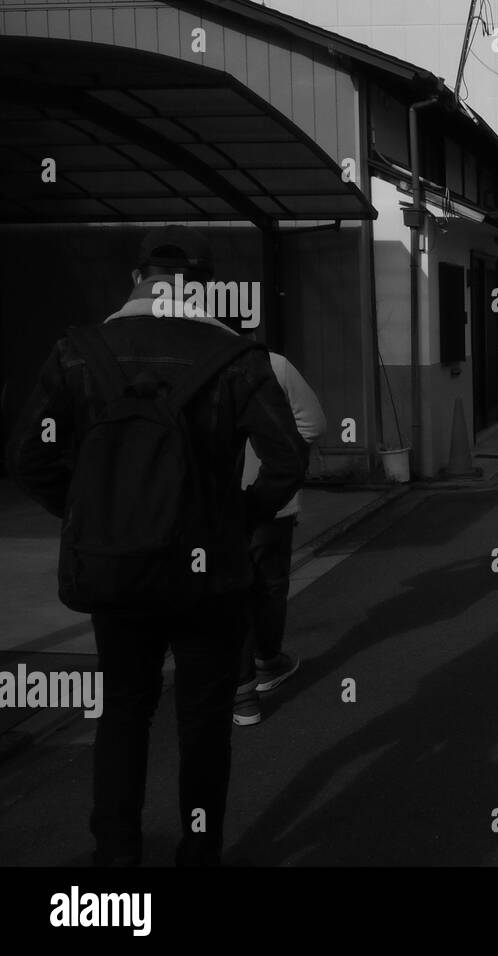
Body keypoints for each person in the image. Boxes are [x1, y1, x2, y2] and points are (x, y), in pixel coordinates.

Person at [4, 225, 308, 866]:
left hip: (117, 572)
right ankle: (199, 851)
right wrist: (234, 520)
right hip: (208, 578)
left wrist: (94, 517)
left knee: (123, 712)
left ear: (136, 282)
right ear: (198, 291)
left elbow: (29, 457)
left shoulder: (78, 353)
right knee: (202, 721)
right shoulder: (236, 359)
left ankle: (116, 857)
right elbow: (287, 458)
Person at [233, 349, 326, 727]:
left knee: (225, 591)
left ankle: (241, 695)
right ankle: (266, 661)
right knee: (268, 584)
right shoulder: (271, 364)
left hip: (205, 506)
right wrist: (280, 463)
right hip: (268, 499)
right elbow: (314, 424)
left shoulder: (175, 361)